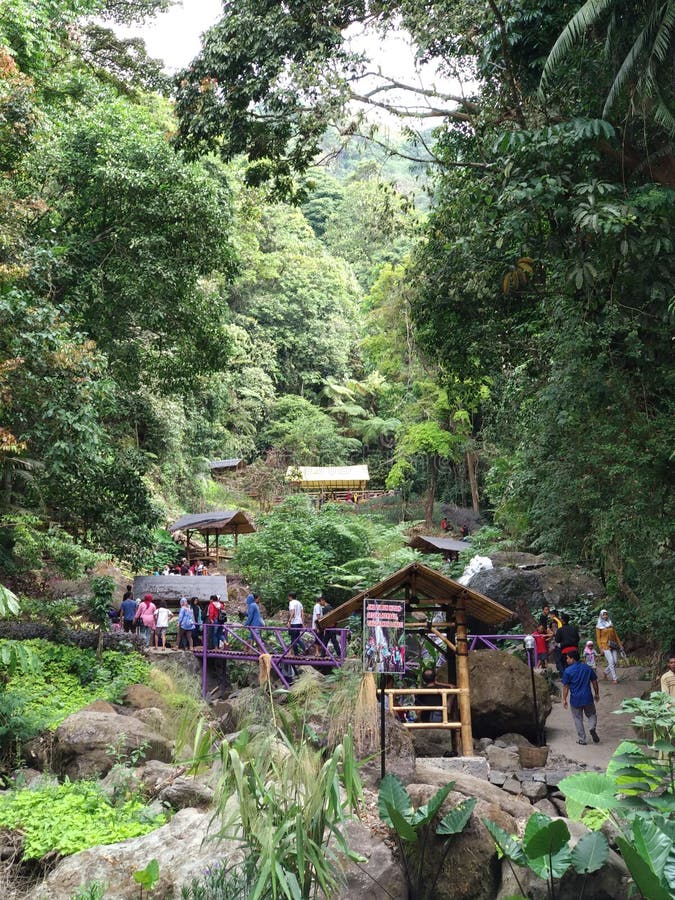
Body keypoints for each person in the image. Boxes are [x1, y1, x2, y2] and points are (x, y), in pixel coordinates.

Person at [562, 649, 600, 744]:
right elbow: (594, 682)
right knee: (591, 714)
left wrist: (564, 699)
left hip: (575, 699)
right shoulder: (587, 668)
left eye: (567, 658)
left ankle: (582, 739)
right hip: (587, 697)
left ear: (572, 659)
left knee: (578, 718)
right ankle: (592, 727)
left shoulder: (567, 671)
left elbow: (566, 687)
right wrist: (596, 693)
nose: (566, 660)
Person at [595, 609, 623, 684]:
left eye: (606, 614)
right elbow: (598, 638)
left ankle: (605, 672)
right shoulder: (598, 626)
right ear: (601, 616)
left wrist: (620, 644)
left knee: (615, 661)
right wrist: (600, 648)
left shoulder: (610, 624)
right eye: (603, 615)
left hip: (613, 644)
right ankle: (615, 678)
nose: (605, 616)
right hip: (605, 645)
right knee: (611, 661)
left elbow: (615, 635)